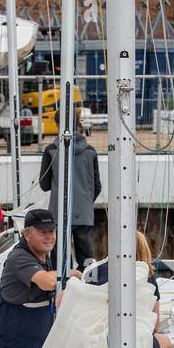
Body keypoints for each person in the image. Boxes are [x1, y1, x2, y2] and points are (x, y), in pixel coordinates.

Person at [0, 208, 79, 348]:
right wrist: (72, 274)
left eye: (52, 231)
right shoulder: (19, 257)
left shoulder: (45, 258)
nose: (49, 237)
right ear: (26, 234)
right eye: (43, 232)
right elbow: (47, 282)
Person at [38, 109, 102, 270]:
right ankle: (89, 284)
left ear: (57, 124)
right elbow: (97, 186)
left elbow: (44, 184)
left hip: (59, 213)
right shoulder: (90, 151)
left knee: (59, 258)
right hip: (84, 213)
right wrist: (86, 200)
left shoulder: (51, 150)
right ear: (78, 123)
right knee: (86, 257)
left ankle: (60, 290)